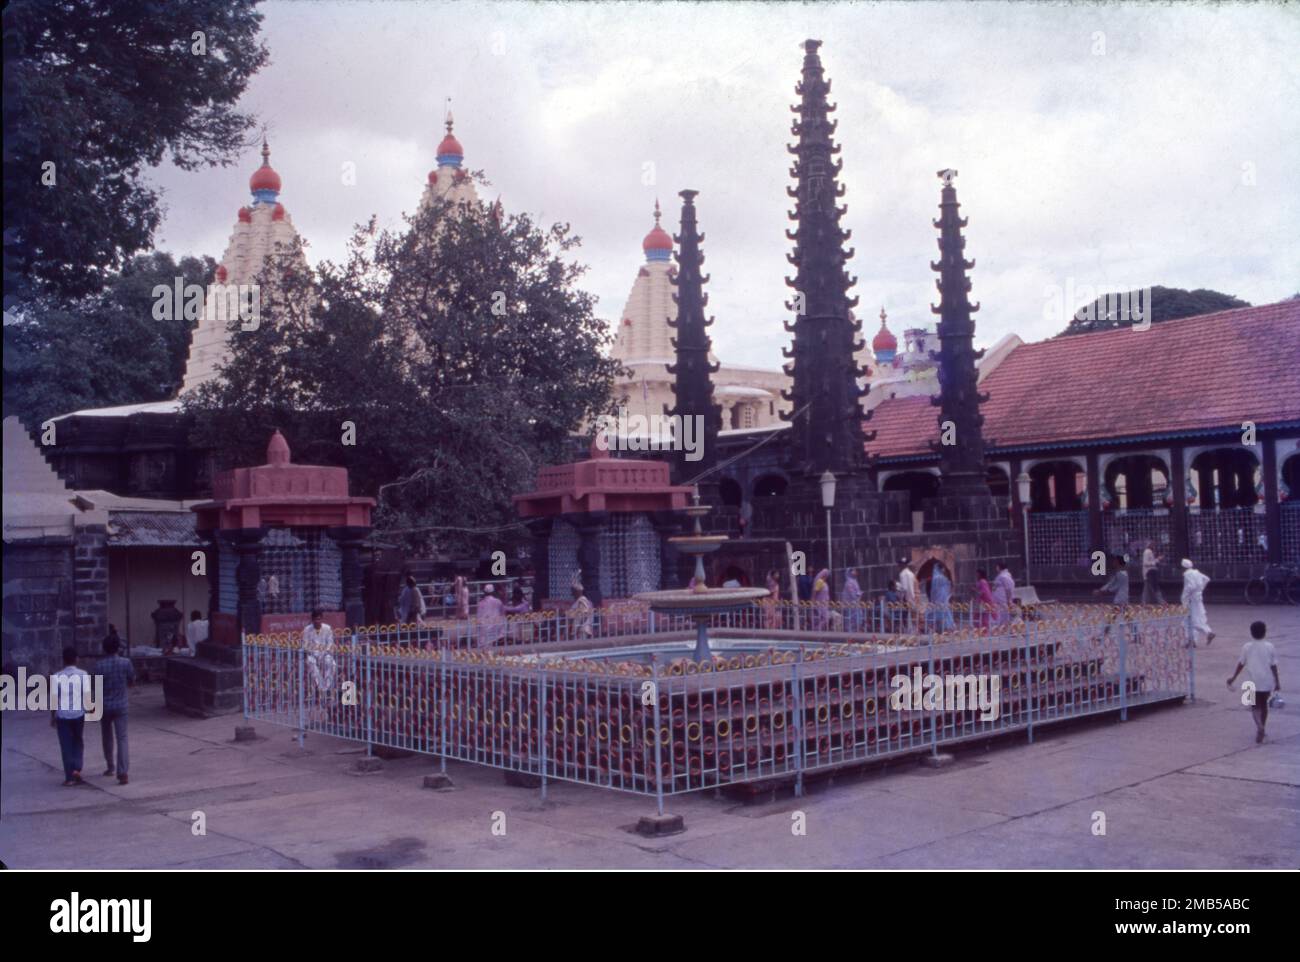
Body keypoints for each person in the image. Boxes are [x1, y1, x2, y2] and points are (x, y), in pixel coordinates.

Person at [1227, 621, 1281, 744]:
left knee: (1254, 707)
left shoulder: (1247, 647)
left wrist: (1233, 677)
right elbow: (1274, 666)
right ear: (1265, 632)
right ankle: (1263, 727)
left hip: (1250, 682)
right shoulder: (1270, 646)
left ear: (1251, 633)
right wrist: (1277, 682)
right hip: (1266, 681)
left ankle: (1259, 727)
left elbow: (1241, 663)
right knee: (1264, 706)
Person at [97, 631, 135, 784]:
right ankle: (123, 772)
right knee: (122, 738)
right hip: (121, 704)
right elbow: (132, 680)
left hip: (105, 705)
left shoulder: (99, 665)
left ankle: (110, 765)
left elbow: (95, 686)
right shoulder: (125, 663)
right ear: (118, 647)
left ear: (104, 648)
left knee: (107, 736)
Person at [51, 646, 92, 786]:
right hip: (78, 713)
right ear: (76, 659)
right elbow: (86, 695)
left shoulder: (56, 677)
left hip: (62, 715)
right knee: (78, 741)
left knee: (66, 744)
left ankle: (69, 777)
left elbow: (54, 699)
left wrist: (52, 716)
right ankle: (77, 768)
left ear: (63, 660)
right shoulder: (83, 674)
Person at [302, 609, 336, 713]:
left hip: (325, 653)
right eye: (315, 619)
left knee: (331, 663)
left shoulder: (327, 628)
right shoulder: (307, 629)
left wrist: (324, 652)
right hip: (312, 654)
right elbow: (305, 645)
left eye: (319, 619)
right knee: (311, 662)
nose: (317, 621)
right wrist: (314, 653)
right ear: (312, 620)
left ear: (322, 619)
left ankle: (325, 688)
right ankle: (320, 687)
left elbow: (330, 643)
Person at [1180, 558, 1214, 647]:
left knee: (1189, 620)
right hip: (1198, 598)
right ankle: (1192, 640)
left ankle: (1207, 632)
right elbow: (1207, 579)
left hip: (1191, 599)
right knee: (1198, 617)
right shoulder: (1196, 572)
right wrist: (1200, 589)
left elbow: (1191, 586)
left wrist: (1185, 596)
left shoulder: (1187, 574)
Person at [926, 566, 956, 632]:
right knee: (944, 612)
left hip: (936, 598)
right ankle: (946, 628)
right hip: (943, 598)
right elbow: (948, 588)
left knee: (936, 613)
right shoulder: (943, 578)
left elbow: (932, 590)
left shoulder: (935, 578)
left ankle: (936, 628)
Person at [991, 562, 1015, 627]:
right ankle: (1001, 626)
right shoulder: (1001, 575)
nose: (996, 568)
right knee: (1000, 613)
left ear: (999, 567)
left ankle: (1005, 626)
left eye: (997, 567)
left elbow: (1008, 588)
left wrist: (1009, 599)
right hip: (999, 599)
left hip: (1003, 598)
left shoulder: (1004, 576)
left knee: (1004, 613)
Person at [897, 559, 919, 629]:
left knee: (904, 614)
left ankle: (906, 629)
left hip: (905, 597)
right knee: (912, 614)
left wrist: (898, 586)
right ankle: (913, 628)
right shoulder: (911, 574)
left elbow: (904, 588)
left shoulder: (902, 574)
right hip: (912, 596)